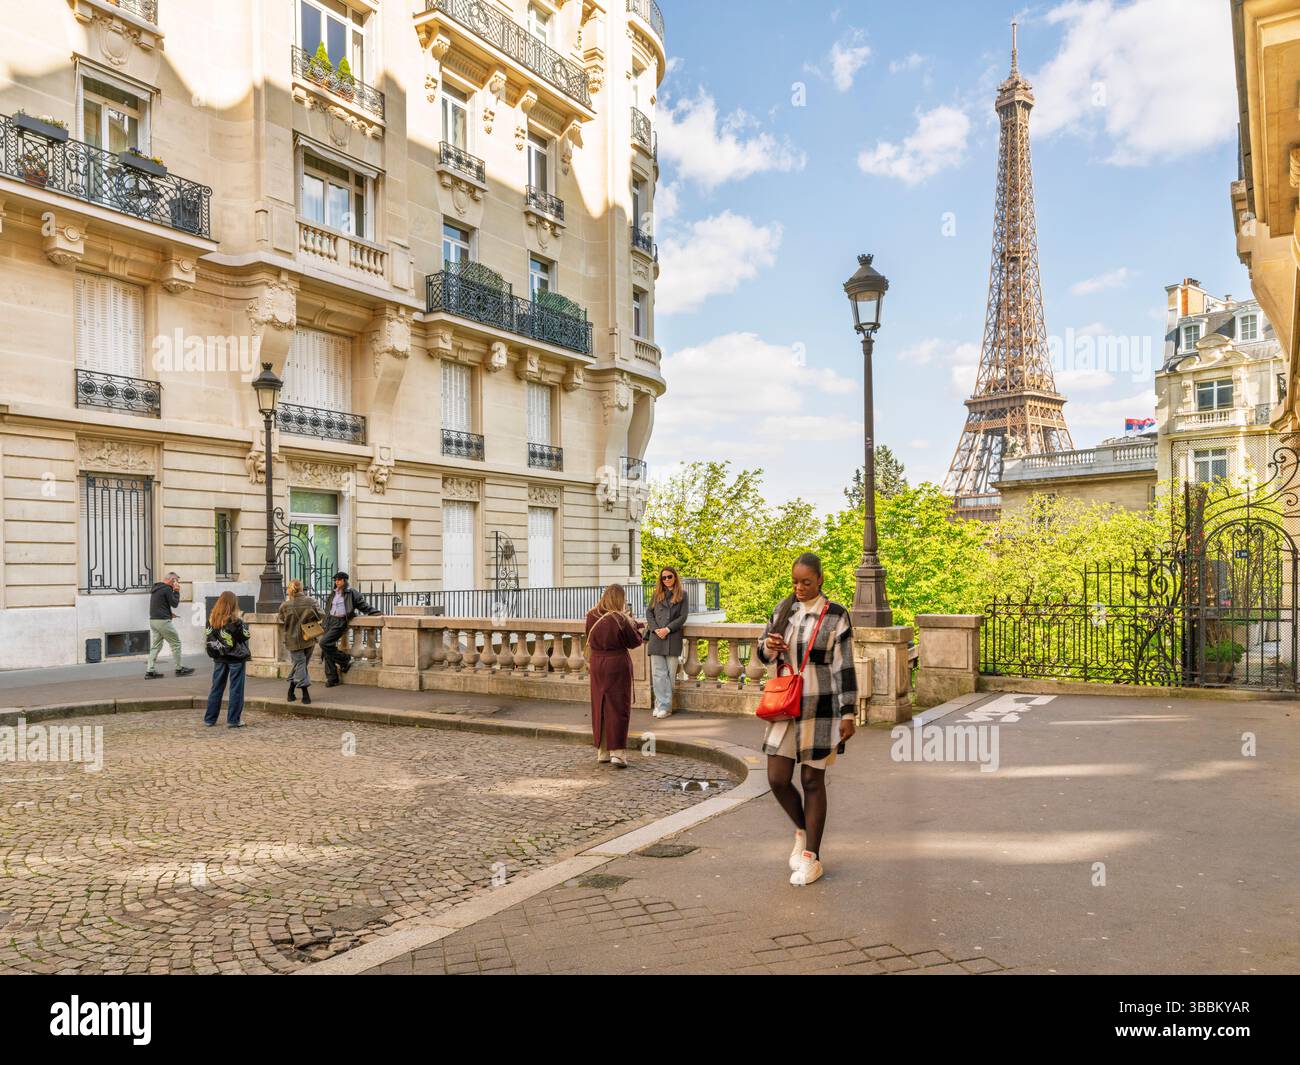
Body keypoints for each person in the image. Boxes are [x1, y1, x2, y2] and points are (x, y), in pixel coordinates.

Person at [756, 552, 857, 887]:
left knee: (813, 781)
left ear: (820, 580)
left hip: (821, 705)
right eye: (795, 581)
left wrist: (849, 712)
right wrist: (769, 646)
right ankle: (802, 829)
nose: (799, 588)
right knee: (777, 778)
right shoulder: (784, 610)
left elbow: (845, 666)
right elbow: (760, 652)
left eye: (806, 582)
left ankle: (812, 858)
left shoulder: (836, 615)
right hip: (785, 704)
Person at [585, 584, 645, 768]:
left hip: (597, 663)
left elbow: (589, 634)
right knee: (618, 707)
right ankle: (617, 753)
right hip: (617, 664)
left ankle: (602, 751)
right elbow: (634, 642)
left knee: (600, 705)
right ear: (620, 599)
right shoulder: (620, 618)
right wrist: (633, 624)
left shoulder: (591, 615)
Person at [318, 572, 382, 687]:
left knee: (324, 643)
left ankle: (344, 659)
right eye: (335, 580)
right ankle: (332, 678)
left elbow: (363, 605)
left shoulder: (351, 592)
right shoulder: (333, 593)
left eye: (339, 580)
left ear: (345, 581)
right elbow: (329, 608)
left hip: (340, 622)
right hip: (330, 621)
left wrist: (376, 612)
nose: (336, 582)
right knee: (328, 649)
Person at [645, 566, 688, 719]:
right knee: (658, 674)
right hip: (656, 638)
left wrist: (667, 629)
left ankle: (665, 707)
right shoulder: (657, 594)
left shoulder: (683, 595)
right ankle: (660, 704)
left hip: (672, 637)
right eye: (664, 578)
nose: (667, 580)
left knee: (669, 674)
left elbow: (683, 617)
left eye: (669, 576)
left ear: (675, 577)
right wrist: (656, 629)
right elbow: (649, 613)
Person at [204, 590, 251, 728]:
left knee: (216, 688)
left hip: (219, 657)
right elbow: (245, 636)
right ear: (233, 604)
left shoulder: (212, 619)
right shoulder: (235, 621)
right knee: (236, 689)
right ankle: (233, 720)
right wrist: (241, 620)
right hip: (235, 658)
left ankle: (210, 719)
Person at [278, 579, 323, 705]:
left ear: (289, 589)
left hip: (292, 640)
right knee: (301, 664)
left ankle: (291, 691)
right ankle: (305, 694)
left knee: (299, 665)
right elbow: (321, 615)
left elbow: (281, 619)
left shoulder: (285, 605)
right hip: (308, 637)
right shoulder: (311, 601)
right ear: (302, 588)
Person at [144, 572, 195, 679]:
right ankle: (179, 669)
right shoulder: (167, 588)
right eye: (176, 581)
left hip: (154, 620)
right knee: (176, 643)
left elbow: (160, 604)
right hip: (163, 621)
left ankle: (150, 671)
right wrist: (176, 591)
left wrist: (169, 613)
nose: (177, 583)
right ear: (172, 580)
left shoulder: (157, 588)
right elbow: (174, 604)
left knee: (156, 646)